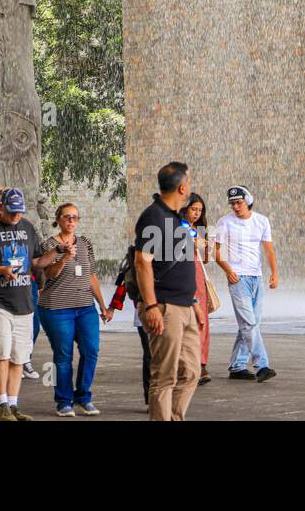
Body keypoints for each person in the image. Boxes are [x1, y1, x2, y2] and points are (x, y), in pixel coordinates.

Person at [0, 187, 53, 421]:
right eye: (12, 212)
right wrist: (1, 270)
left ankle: (14, 405)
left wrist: (58, 253)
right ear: (0, 207)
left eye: (19, 212)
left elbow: (36, 261)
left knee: (19, 356)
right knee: (2, 353)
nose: (16, 216)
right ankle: (1, 404)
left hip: (24, 302)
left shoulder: (27, 227)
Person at [134, 162, 201, 421]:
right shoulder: (154, 216)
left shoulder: (174, 217)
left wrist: (193, 300)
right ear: (182, 187)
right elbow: (143, 262)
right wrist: (151, 306)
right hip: (164, 306)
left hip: (185, 305)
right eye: (190, 181)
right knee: (164, 376)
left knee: (191, 372)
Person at [38, 203, 113, 416]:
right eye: (67, 217)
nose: (71, 221)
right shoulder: (49, 245)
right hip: (57, 309)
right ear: (58, 220)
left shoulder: (85, 243)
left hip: (85, 308)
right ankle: (64, 401)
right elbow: (49, 274)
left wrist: (103, 305)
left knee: (91, 351)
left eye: (75, 217)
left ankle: (83, 396)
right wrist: (66, 257)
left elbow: (91, 276)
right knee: (63, 356)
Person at [213, 185, 279, 382]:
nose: (235, 207)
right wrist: (228, 270)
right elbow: (215, 252)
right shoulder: (224, 222)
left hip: (256, 277)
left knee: (251, 324)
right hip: (238, 278)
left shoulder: (261, 221)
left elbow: (268, 250)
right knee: (249, 324)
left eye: (239, 202)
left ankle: (237, 366)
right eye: (232, 203)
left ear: (248, 200)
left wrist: (274, 273)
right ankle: (262, 365)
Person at [0, 187, 41, 378]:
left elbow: (36, 258)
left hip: (28, 284)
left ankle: (24, 358)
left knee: (32, 325)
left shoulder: (27, 227)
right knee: (5, 332)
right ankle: (16, 362)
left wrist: (42, 285)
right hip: (2, 291)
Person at [182, 193, 212, 383]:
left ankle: (201, 364)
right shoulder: (178, 228)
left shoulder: (200, 229)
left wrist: (208, 247)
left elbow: (207, 261)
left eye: (200, 210)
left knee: (203, 321)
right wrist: (193, 243)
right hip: (184, 276)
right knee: (188, 321)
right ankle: (188, 364)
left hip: (199, 277)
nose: (197, 214)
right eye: (194, 209)